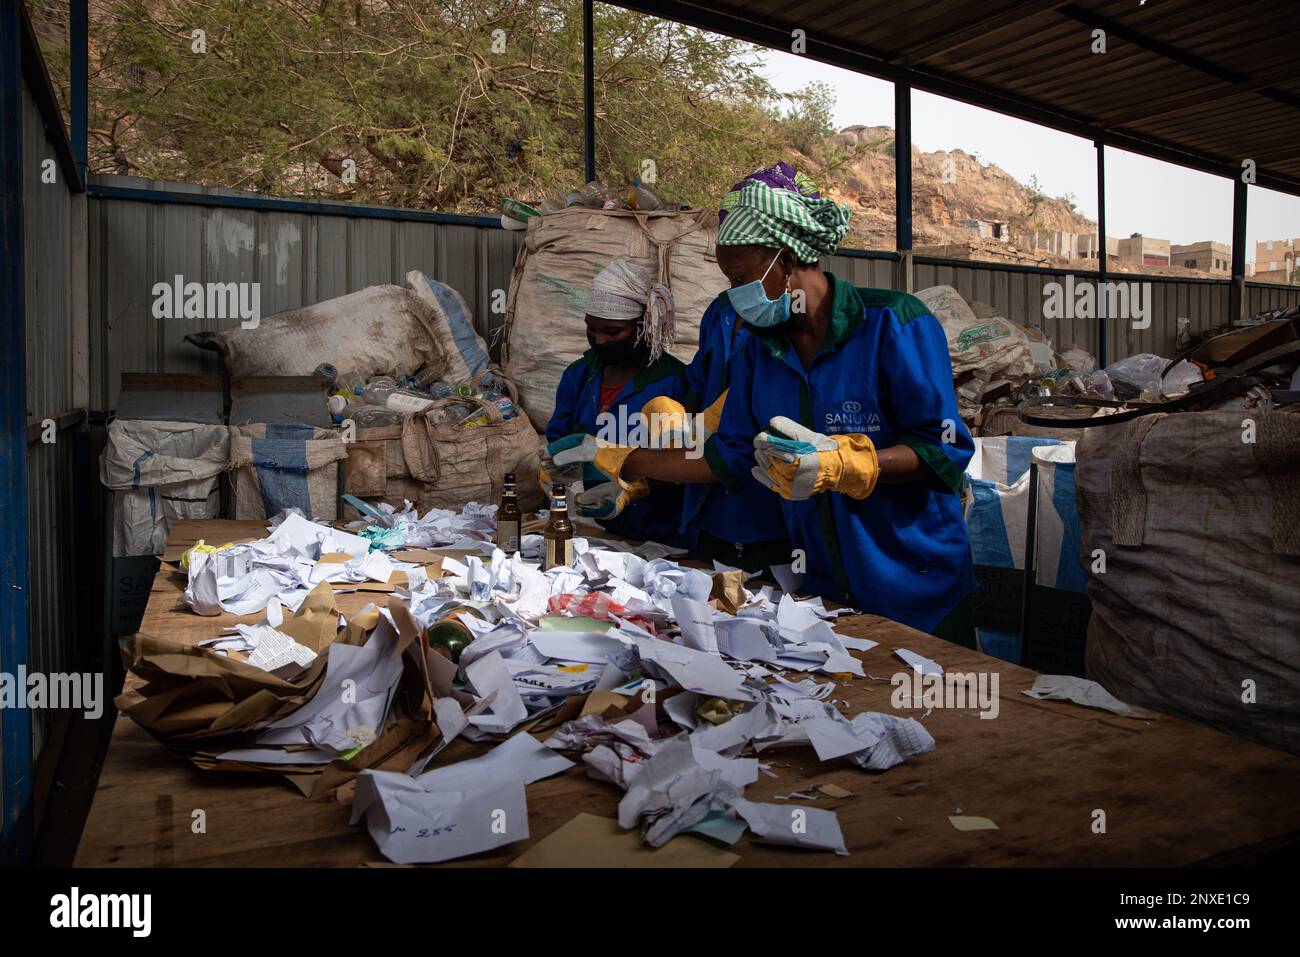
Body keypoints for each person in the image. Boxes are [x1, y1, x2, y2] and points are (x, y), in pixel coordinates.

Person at [548, 164, 977, 645]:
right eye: (728, 280)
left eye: (741, 277)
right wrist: (620, 458)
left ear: (787, 259)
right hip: (825, 585)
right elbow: (727, 455)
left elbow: (945, 450)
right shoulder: (759, 350)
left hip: (916, 579)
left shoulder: (893, 325)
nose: (734, 294)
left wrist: (848, 464)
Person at [544, 260, 690, 547]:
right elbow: (561, 445)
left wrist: (630, 490)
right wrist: (556, 472)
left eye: (612, 332)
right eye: (591, 329)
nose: (598, 340)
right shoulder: (578, 376)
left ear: (643, 326)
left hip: (662, 536)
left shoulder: (675, 383)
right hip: (594, 532)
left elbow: (687, 464)